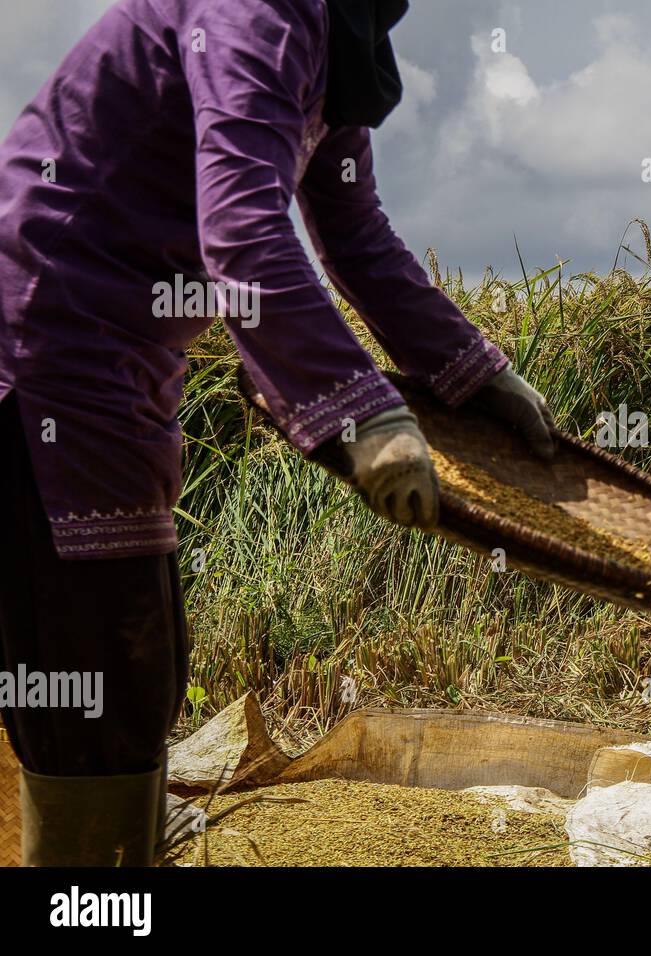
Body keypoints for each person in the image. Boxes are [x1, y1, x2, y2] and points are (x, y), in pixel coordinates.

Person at [0, 0, 557, 865]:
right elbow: (243, 225)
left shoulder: (327, 37)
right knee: (92, 676)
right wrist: (366, 412)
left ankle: (116, 858)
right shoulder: (253, 11)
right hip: (46, 348)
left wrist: (475, 373)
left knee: (139, 659)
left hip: (120, 371)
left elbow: (355, 230)